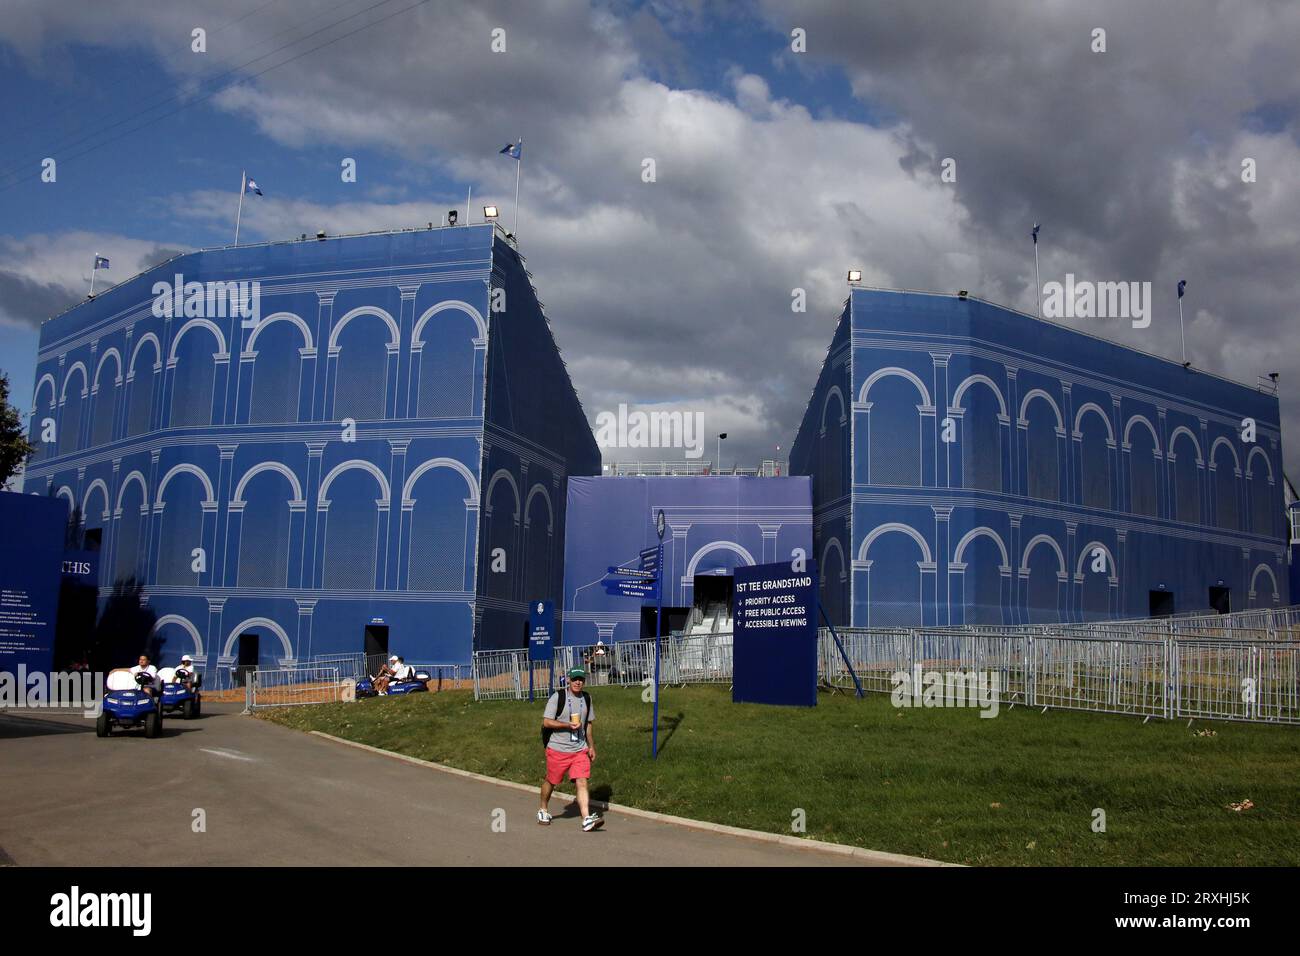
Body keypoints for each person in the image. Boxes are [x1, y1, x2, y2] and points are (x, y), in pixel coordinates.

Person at [538, 667, 603, 831]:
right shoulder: (558, 697)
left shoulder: (587, 698)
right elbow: (546, 722)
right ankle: (543, 809)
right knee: (551, 781)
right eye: (574, 679)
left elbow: (588, 724)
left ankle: (586, 818)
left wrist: (591, 746)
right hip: (558, 749)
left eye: (581, 679)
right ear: (568, 680)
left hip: (579, 749)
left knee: (582, 781)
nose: (578, 682)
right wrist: (568, 725)